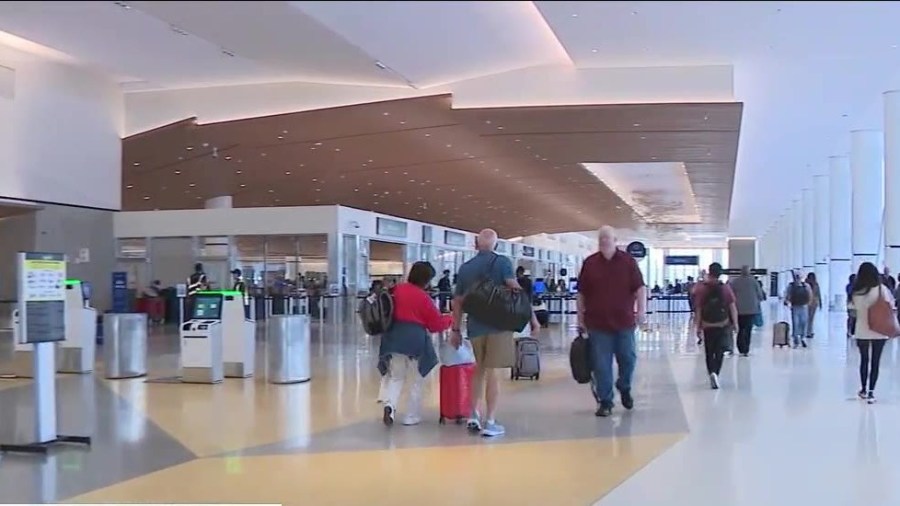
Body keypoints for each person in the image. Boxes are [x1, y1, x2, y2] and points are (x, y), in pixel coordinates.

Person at [450, 229, 539, 437]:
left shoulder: (465, 268)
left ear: (476, 244)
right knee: (493, 373)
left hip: (475, 326)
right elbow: (516, 291)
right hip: (498, 326)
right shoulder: (502, 263)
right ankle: (490, 421)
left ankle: (473, 414)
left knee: (478, 370)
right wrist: (532, 319)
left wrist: (455, 329)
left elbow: (458, 301)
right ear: (496, 245)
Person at [576, 226, 647, 417]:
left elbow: (640, 288)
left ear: (615, 240)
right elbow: (581, 293)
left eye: (608, 238)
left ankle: (624, 386)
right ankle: (605, 401)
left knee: (628, 358)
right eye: (601, 239)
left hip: (624, 322)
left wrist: (641, 311)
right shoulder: (590, 264)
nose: (605, 241)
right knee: (601, 364)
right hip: (597, 324)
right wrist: (580, 317)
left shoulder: (628, 262)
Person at [379, 261, 449, 426]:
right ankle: (411, 416)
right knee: (416, 379)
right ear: (426, 280)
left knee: (396, 376)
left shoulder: (396, 290)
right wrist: (451, 318)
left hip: (392, 337)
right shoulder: (423, 297)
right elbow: (435, 325)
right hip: (415, 340)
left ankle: (390, 405)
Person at [850, 262, 895, 404]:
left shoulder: (856, 292)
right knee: (875, 362)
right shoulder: (882, 290)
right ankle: (871, 392)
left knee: (864, 360)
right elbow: (892, 306)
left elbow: (852, 310)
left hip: (862, 330)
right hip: (879, 331)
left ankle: (863, 389)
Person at [693, 263, 739, 389]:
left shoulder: (702, 289)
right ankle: (716, 373)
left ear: (709, 272)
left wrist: (698, 327)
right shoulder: (725, 288)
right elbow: (732, 307)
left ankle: (711, 372)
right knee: (719, 350)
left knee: (709, 351)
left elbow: (699, 309)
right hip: (722, 323)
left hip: (707, 324)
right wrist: (735, 323)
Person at [727, 265, 764, 356]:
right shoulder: (754, 281)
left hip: (738, 310)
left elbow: (730, 295)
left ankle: (740, 347)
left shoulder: (735, 282)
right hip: (751, 310)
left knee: (740, 329)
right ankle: (746, 349)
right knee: (748, 330)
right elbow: (760, 295)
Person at [783, 271, 812, 348]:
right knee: (796, 323)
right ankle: (796, 340)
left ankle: (802, 338)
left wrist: (808, 303)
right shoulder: (791, 286)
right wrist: (786, 301)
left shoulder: (806, 286)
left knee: (803, 323)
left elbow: (810, 295)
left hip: (804, 306)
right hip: (795, 306)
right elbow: (787, 294)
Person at [805, 272, 821, 338]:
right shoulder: (815, 284)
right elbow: (818, 294)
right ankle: (809, 332)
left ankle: (807, 332)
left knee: (807, 318)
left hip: (808, 302)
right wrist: (820, 303)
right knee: (811, 318)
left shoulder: (806, 284)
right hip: (813, 302)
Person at [846, 273, 857, 338]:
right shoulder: (849, 286)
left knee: (855, 318)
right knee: (851, 318)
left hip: (856, 303)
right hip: (851, 303)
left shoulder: (856, 286)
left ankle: (853, 331)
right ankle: (849, 331)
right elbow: (850, 294)